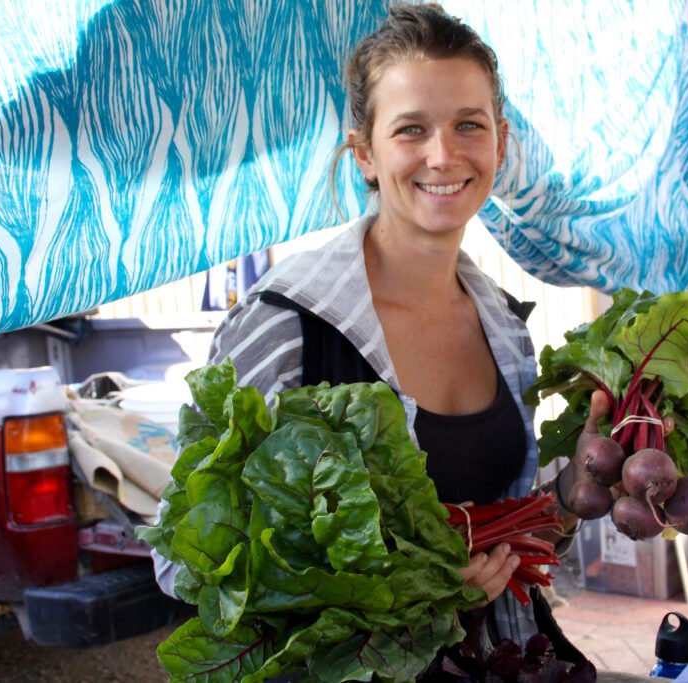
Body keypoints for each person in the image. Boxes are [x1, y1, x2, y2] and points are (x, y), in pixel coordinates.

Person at [153, 0, 611, 657]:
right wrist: (391, 595)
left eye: (468, 125)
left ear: (501, 143)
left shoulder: (507, 329)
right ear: (365, 153)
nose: (443, 155)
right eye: (411, 129)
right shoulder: (285, 324)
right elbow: (182, 561)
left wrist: (571, 491)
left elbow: (500, 531)